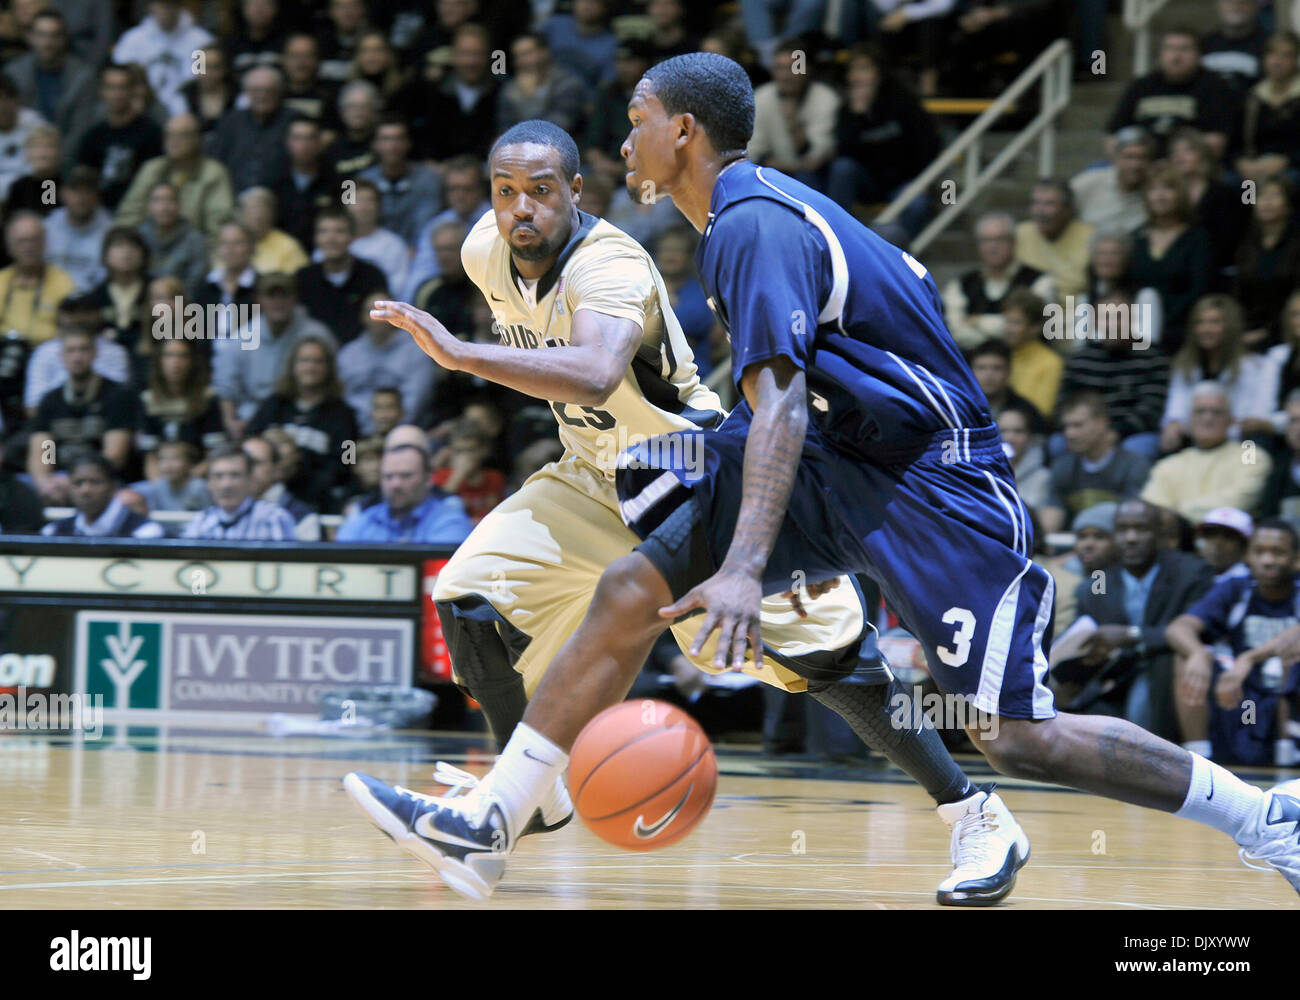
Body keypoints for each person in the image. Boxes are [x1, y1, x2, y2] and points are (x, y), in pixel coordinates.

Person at [344, 55, 1300, 901]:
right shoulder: (735, 219)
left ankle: (1263, 820)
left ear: (682, 130)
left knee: (1016, 735)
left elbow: (784, 404)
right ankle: (496, 819)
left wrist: (744, 563)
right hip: (836, 456)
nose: (623, 138)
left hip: (932, 482)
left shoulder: (751, 226)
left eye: (636, 119)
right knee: (633, 585)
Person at [347, 117, 1040, 907]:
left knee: (831, 665)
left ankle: (977, 813)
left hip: (686, 471)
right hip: (590, 473)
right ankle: (517, 804)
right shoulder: (482, 253)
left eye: (540, 192)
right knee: (466, 600)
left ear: (576, 192)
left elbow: (596, 371)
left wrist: (463, 356)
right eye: (506, 194)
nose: (521, 210)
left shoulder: (611, 264)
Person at [1056, 499, 1214, 737]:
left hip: (1169, 673)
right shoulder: (1095, 587)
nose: (1131, 538)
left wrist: (1132, 636)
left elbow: (1200, 631)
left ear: (1160, 534)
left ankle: (1197, 755)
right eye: (1122, 530)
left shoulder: (1191, 573)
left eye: (1141, 529)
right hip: (1113, 679)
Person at [1167, 518, 1300, 767]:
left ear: (1296, 557)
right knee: (1184, 656)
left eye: (1278, 553)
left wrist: (1249, 658)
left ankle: (1289, 753)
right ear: (1248, 556)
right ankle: (1199, 758)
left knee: (1292, 657)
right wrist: (1197, 653)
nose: (1268, 560)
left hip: (1285, 696)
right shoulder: (1236, 588)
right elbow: (1179, 627)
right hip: (1241, 694)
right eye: (1260, 552)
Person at [244, 333, 359, 511]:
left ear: (329, 368)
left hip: (317, 500)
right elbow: (249, 442)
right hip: (265, 495)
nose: (310, 367)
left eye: (318, 361)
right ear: (293, 366)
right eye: (304, 360)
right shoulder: (273, 405)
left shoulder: (344, 415)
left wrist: (304, 470)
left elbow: (348, 460)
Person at [26, 323, 136, 503]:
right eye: (71, 350)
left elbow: (114, 455)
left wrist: (76, 482)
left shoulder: (117, 396)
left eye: (83, 350)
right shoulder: (51, 401)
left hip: (103, 482)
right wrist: (46, 482)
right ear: (61, 356)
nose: (77, 357)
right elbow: (44, 452)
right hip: (60, 480)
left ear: (95, 353)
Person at [1143, 381, 1274, 520]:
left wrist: (1176, 513)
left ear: (1232, 420)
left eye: (1217, 412)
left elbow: (1242, 499)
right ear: (1189, 419)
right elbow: (1152, 511)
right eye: (1200, 412)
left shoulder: (1251, 454)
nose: (1207, 418)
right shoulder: (1168, 465)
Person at [943, 211, 1057, 351]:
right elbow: (953, 332)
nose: (993, 247)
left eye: (1000, 239)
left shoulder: (1040, 281)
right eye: (986, 240)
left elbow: (1037, 329)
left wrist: (978, 321)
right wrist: (1007, 329)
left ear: (1014, 242)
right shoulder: (960, 284)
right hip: (973, 366)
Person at [1040, 392, 1151, 534]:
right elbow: (1050, 523)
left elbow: (1131, 523)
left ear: (1102, 423)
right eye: (1066, 427)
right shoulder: (1062, 467)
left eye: (1078, 425)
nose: (1069, 434)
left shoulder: (1133, 465)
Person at [114, 113, 234, 238]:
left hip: (195, 249)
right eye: (169, 135)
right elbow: (130, 214)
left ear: (197, 139)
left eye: (182, 135)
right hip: (148, 247)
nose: (173, 141)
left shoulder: (213, 173)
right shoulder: (151, 168)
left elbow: (219, 225)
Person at [335, 442, 472, 543]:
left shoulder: (450, 521)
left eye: (406, 476)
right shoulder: (365, 519)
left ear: (428, 478)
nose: (395, 484)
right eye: (388, 477)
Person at [338, 290, 435, 432]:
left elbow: (415, 404)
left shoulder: (417, 352)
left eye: (384, 311)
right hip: (354, 433)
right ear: (362, 317)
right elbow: (343, 401)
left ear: (396, 316)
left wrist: (383, 432)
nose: (378, 317)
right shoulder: (347, 355)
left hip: (404, 434)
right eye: (371, 312)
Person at [74, 63, 163, 210]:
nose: (116, 94)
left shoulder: (151, 133)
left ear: (132, 91)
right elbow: (84, 182)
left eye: (122, 87)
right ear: (102, 92)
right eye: (111, 88)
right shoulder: (92, 137)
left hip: (140, 210)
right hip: (98, 212)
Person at [295, 206, 387, 344]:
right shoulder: (303, 278)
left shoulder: (372, 276)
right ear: (316, 238)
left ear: (353, 236)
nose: (331, 238)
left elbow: (382, 323)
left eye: (339, 231)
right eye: (323, 232)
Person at [182, 444, 298, 539]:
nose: (226, 485)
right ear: (209, 482)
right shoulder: (199, 522)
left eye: (235, 475)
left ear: (250, 479)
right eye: (218, 476)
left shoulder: (274, 518)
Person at [41, 451, 164, 538]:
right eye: (78, 483)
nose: (85, 490)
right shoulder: (53, 532)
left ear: (113, 487)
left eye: (95, 482)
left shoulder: (145, 532)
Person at [1014, 179, 1094, 299]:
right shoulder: (1019, 234)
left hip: (1073, 312)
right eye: (1036, 203)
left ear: (1067, 210)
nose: (1040, 211)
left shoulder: (1090, 237)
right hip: (1029, 312)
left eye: (1049, 204)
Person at [1069, 126, 1152, 235]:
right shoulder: (1089, 182)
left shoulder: (1154, 190)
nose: (1135, 165)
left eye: (1141, 157)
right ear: (1116, 158)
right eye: (1129, 157)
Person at [128, 439, 209, 515]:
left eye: (175, 458)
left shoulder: (199, 487)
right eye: (163, 459)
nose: (168, 465)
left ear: (189, 463)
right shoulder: (157, 486)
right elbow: (129, 492)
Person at [1195, 507, 1253, 581]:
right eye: (1210, 533)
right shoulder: (1190, 576)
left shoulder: (1249, 585)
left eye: (1229, 536)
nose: (1217, 543)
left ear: (1245, 547)